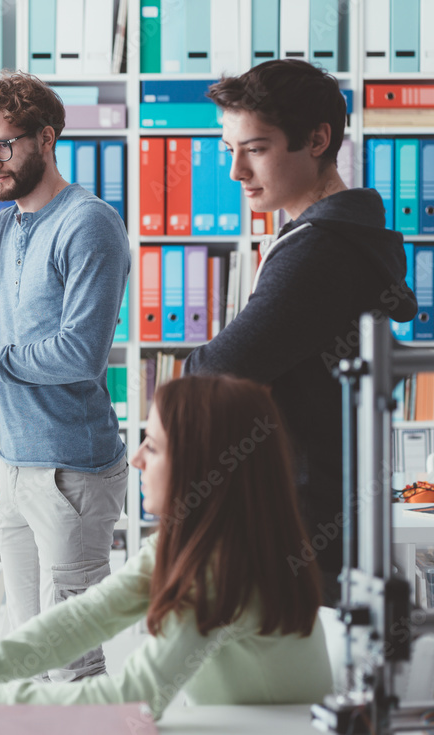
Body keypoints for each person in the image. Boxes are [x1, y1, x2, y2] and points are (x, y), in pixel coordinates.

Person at [0, 375, 332, 731]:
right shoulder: (192, 544)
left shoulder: (219, 569)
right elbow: (85, 616)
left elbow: (129, 704)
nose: (135, 459)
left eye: (152, 447)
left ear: (199, 468)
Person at [182, 60, 417, 605]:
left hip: (311, 521)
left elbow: (216, 371)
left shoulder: (319, 250)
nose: (236, 171)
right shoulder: (327, 236)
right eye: (229, 149)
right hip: (328, 505)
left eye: (256, 149)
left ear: (317, 139)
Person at [0, 72, 130, 682]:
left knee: (70, 659)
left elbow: (78, 355)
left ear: (46, 138)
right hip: (15, 465)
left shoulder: (88, 224)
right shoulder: (6, 224)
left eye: (4, 147)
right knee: (29, 656)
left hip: (72, 472)